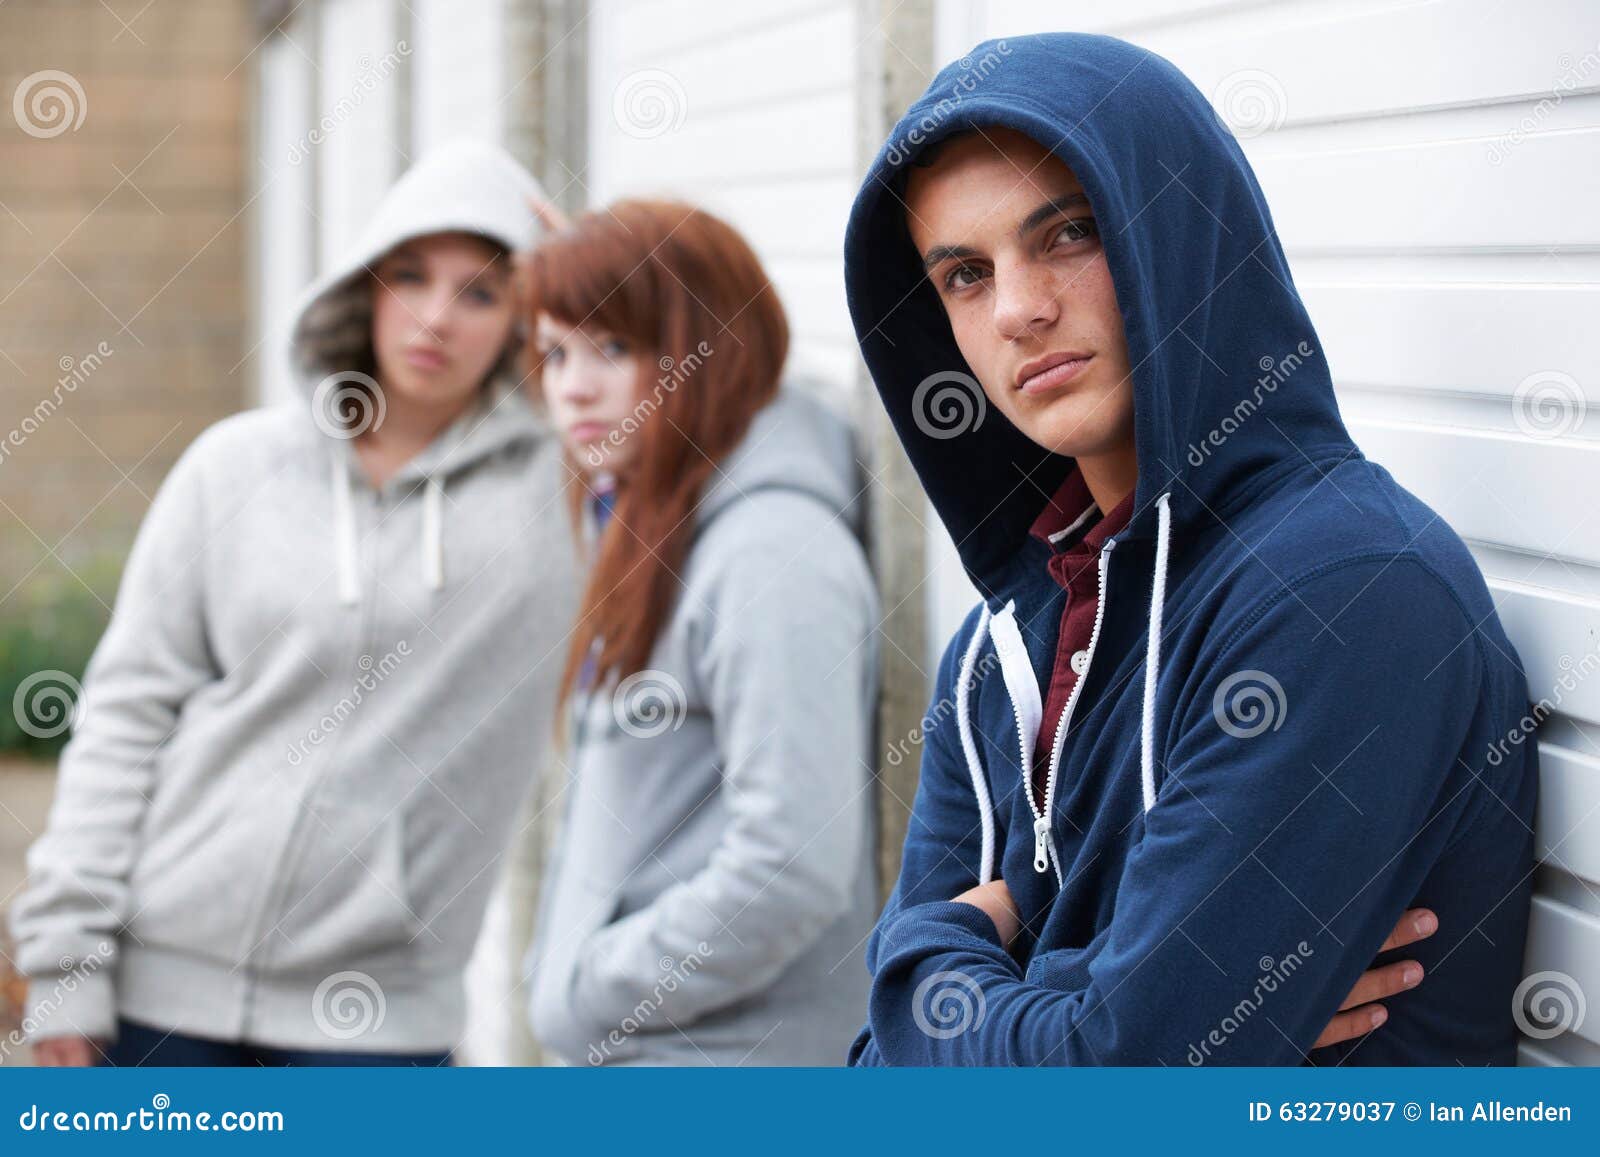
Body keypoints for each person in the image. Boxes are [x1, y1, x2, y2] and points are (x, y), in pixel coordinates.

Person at [842, 33, 1536, 1065]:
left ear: (1179, 231)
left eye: (1069, 232)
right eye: (963, 274)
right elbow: (878, 1068)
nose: (1019, 309)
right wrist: (1093, 987)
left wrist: (930, 958)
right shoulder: (1002, 646)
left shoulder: (1345, 591)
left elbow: (1116, 1080)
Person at [10, 141, 580, 1065]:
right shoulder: (234, 466)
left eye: (480, 291)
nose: (436, 317)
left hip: (377, 1022)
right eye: (409, 277)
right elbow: (127, 712)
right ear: (364, 286)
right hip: (162, 994)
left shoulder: (564, 497)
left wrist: (601, 270)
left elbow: (730, 406)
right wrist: (65, 964)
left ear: (526, 315)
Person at [520, 200, 880, 1065]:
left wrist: (591, 985)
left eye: (613, 348)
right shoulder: (659, 513)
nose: (571, 386)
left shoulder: (772, 555)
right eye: (555, 352)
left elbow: (792, 864)